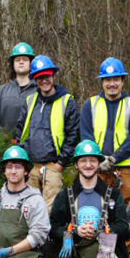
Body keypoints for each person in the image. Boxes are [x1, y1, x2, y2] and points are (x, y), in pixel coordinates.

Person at [50, 140, 130, 258]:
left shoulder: (113, 194)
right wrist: (73, 232)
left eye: (93, 160)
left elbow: (123, 226)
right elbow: (53, 228)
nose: (88, 165)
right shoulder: (65, 195)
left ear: (99, 163)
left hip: (104, 256)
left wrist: (104, 230)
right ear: (76, 165)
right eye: (83, 160)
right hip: (74, 257)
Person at [14, 55, 79, 206]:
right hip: (32, 166)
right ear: (35, 79)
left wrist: (61, 162)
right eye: (40, 77)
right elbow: (21, 130)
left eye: (47, 76)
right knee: (29, 207)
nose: (44, 80)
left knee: (51, 210)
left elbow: (73, 134)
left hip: (54, 166)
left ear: (53, 76)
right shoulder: (30, 101)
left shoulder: (67, 101)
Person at [80, 58, 130, 200]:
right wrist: (98, 158)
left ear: (122, 81)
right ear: (102, 82)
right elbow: (86, 134)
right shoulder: (90, 104)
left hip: (126, 168)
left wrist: (113, 159)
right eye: (107, 80)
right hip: (96, 168)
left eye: (116, 79)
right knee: (94, 206)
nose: (112, 84)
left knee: (125, 209)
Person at [0, 42, 38, 136]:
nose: (21, 62)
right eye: (17, 60)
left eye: (25, 59)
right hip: (5, 147)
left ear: (31, 63)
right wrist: (3, 138)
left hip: (32, 148)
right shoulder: (0, 92)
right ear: (13, 64)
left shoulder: (39, 91)